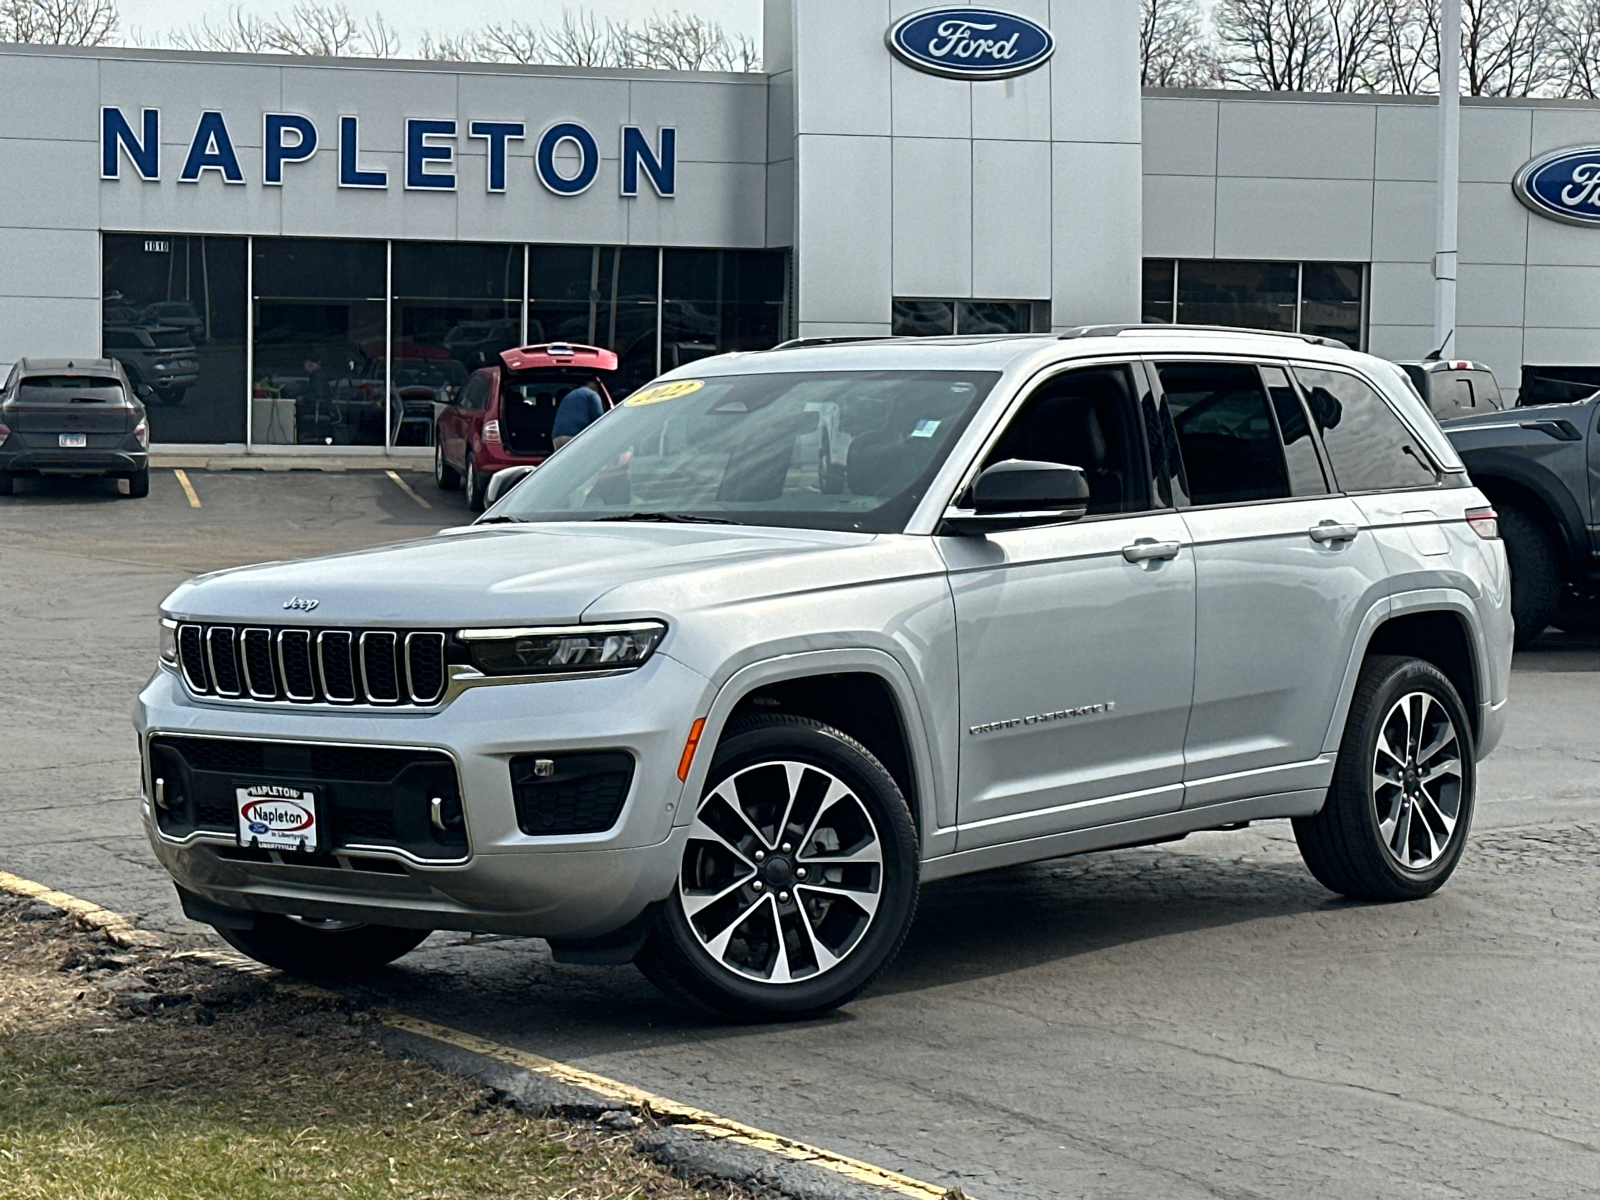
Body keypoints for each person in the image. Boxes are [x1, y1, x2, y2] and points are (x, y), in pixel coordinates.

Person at [551, 376, 605, 449]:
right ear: (594, 385)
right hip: (573, 436)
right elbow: (600, 419)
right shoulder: (592, 395)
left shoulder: (570, 395)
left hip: (557, 437)